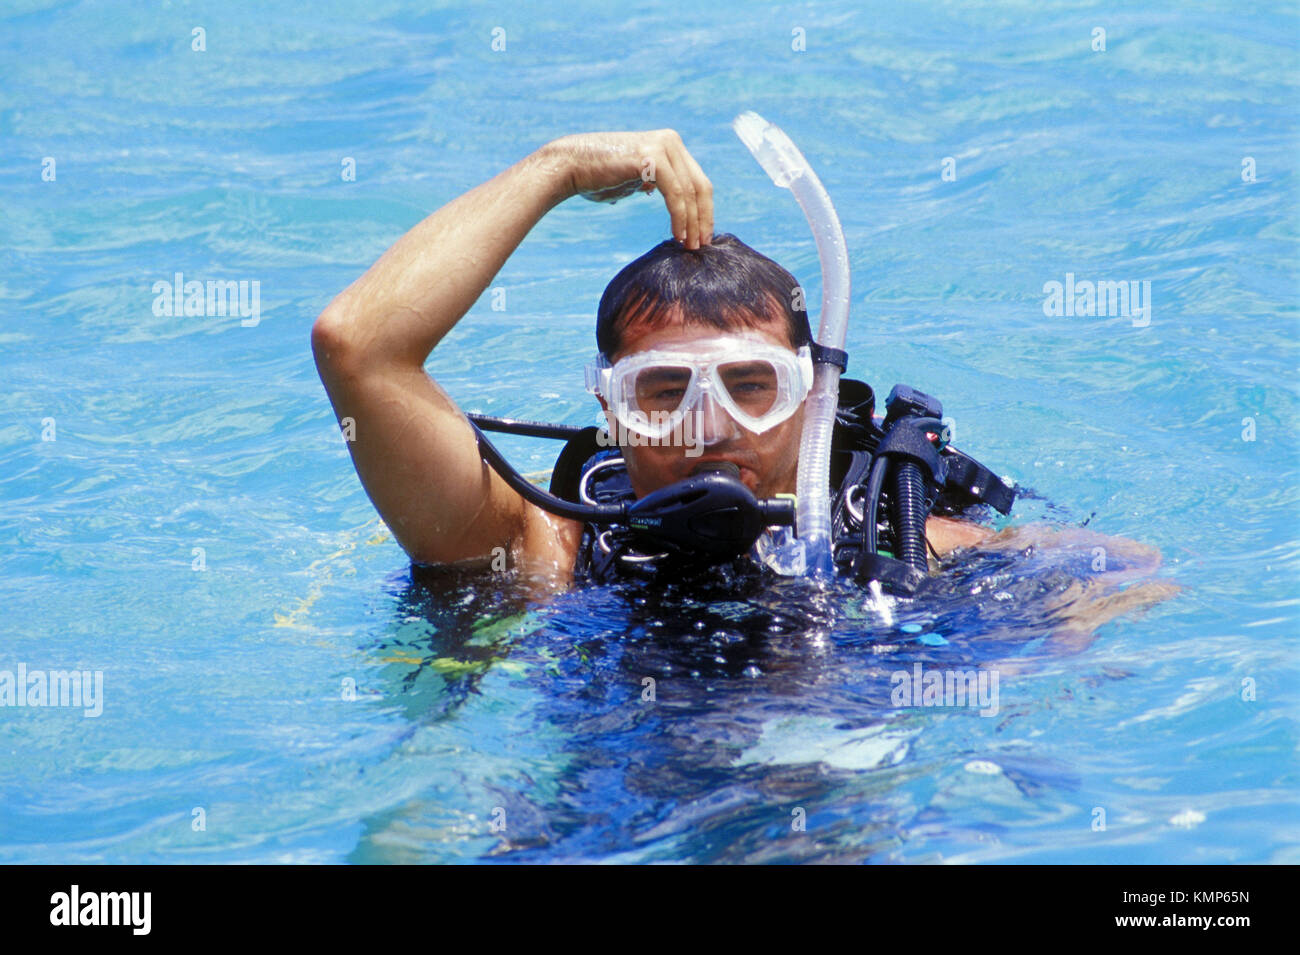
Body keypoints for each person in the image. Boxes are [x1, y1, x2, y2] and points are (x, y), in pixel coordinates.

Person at [310, 129, 1169, 614]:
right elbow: (359, 345)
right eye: (662, 392)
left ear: (813, 397)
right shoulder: (540, 554)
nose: (710, 424)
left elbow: (1135, 576)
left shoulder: (903, 551)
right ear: (611, 415)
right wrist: (556, 169)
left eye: (750, 386)